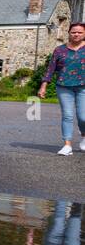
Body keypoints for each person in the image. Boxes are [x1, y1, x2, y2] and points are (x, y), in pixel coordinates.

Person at [38, 21, 85, 155]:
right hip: (64, 86)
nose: (76, 34)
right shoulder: (60, 50)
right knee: (67, 115)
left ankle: (84, 136)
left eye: (80, 32)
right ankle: (67, 145)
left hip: (83, 87)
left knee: (83, 117)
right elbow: (50, 69)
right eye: (73, 32)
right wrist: (43, 86)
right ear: (69, 33)